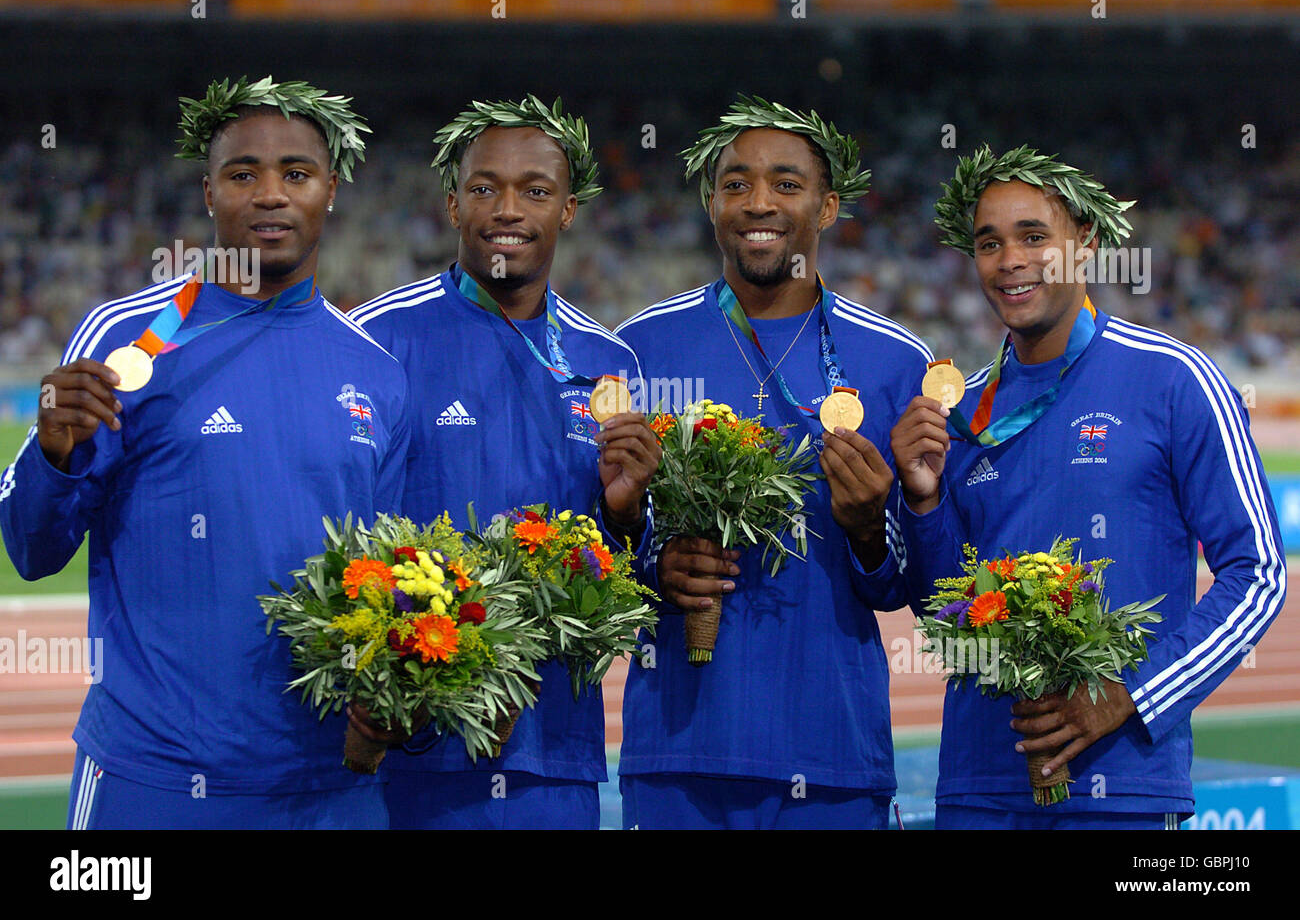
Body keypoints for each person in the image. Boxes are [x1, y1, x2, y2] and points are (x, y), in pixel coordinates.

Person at [0, 76, 410, 829]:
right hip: (150, 781)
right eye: (242, 173)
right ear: (209, 192)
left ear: (331, 191)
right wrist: (51, 455)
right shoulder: (124, 339)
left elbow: (400, 572)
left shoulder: (378, 370)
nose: (270, 195)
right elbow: (31, 548)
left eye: (296, 173)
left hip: (331, 788)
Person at [890, 144, 1286, 829]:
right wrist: (923, 499)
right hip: (980, 784)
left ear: (1087, 242)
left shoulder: (1175, 378)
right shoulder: (961, 413)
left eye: (1033, 235)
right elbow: (943, 610)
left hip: (1122, 782)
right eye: (989, 242)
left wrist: (1129, 694)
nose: (1009, 259)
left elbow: (1259, 573)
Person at [614, 97, 933, 829]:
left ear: (827, 207)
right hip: (676, 756)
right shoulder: (637, 349)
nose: (759, 202)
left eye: (787, 184)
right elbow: (597, 547)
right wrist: (649, 560)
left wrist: (865, 531)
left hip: (832, 761)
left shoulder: (893, 361)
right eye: (736, 183)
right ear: (711, 201)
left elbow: (913, 584)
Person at [350, 96, 660, 830]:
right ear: (452, 203)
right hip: (403, 748)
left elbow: (625, 575)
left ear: (570, 210)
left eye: (536, 191)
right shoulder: (376, 339)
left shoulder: (607, 362)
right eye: (484, 188)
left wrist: (625, 511)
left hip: (551, 755)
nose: (507, 209)